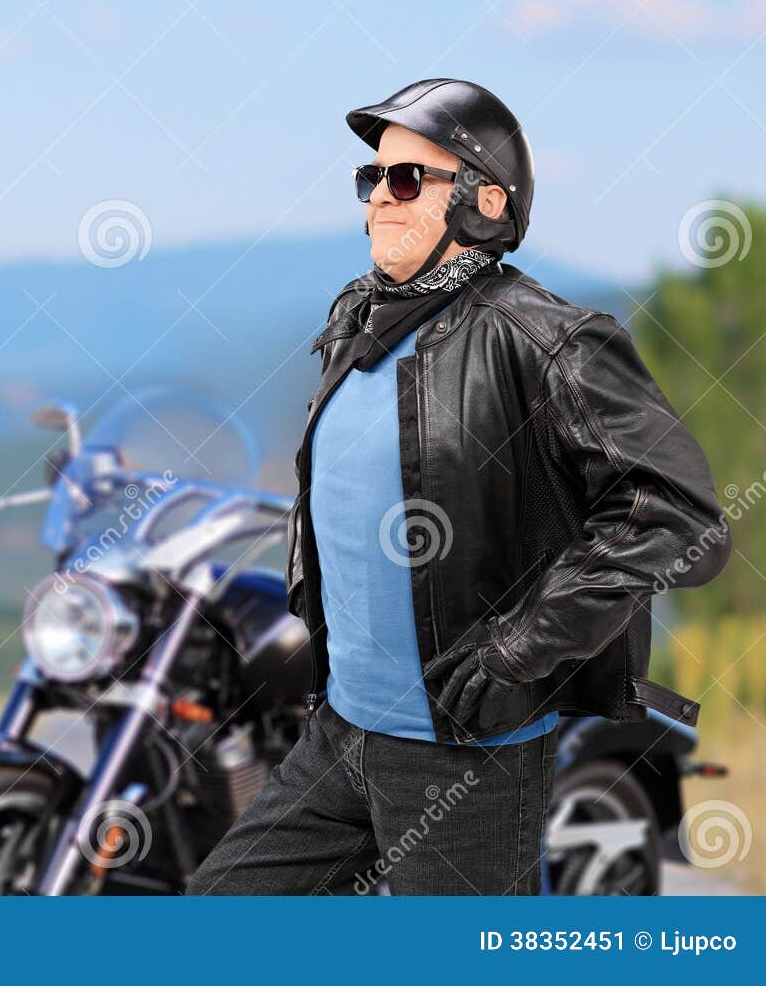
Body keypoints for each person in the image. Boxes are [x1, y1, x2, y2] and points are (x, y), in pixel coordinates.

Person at [187, 79, 730, 895]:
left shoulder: (545, 338)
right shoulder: (358, 317)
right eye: (369, 179)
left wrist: (523, 645)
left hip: (466, 754)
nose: (378, 198)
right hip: (341, 731)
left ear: (482, 201)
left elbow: (680, 516)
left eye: (406, 180)